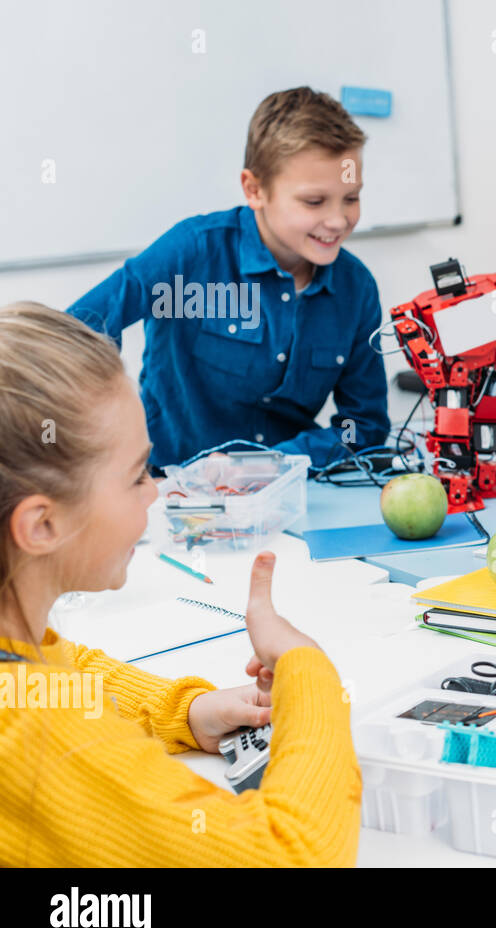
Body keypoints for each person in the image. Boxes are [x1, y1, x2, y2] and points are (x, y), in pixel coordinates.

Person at [0, 302, 360, 865]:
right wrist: (307, 672)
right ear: (42, 525)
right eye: (138, 475)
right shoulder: (46, 742)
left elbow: (59, 668)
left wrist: (183, 712)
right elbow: (291, 856)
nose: (156, 493)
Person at [68, 87, 389, 468]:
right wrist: (114, 442)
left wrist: (274, 462)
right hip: (170, 489)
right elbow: (75, 333)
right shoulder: (192, 252)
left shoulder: (356, 289)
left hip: (284, 497)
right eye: (314, 202)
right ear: (255, 190)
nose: (339, 220)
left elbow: (363, 425)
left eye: (351, 198)